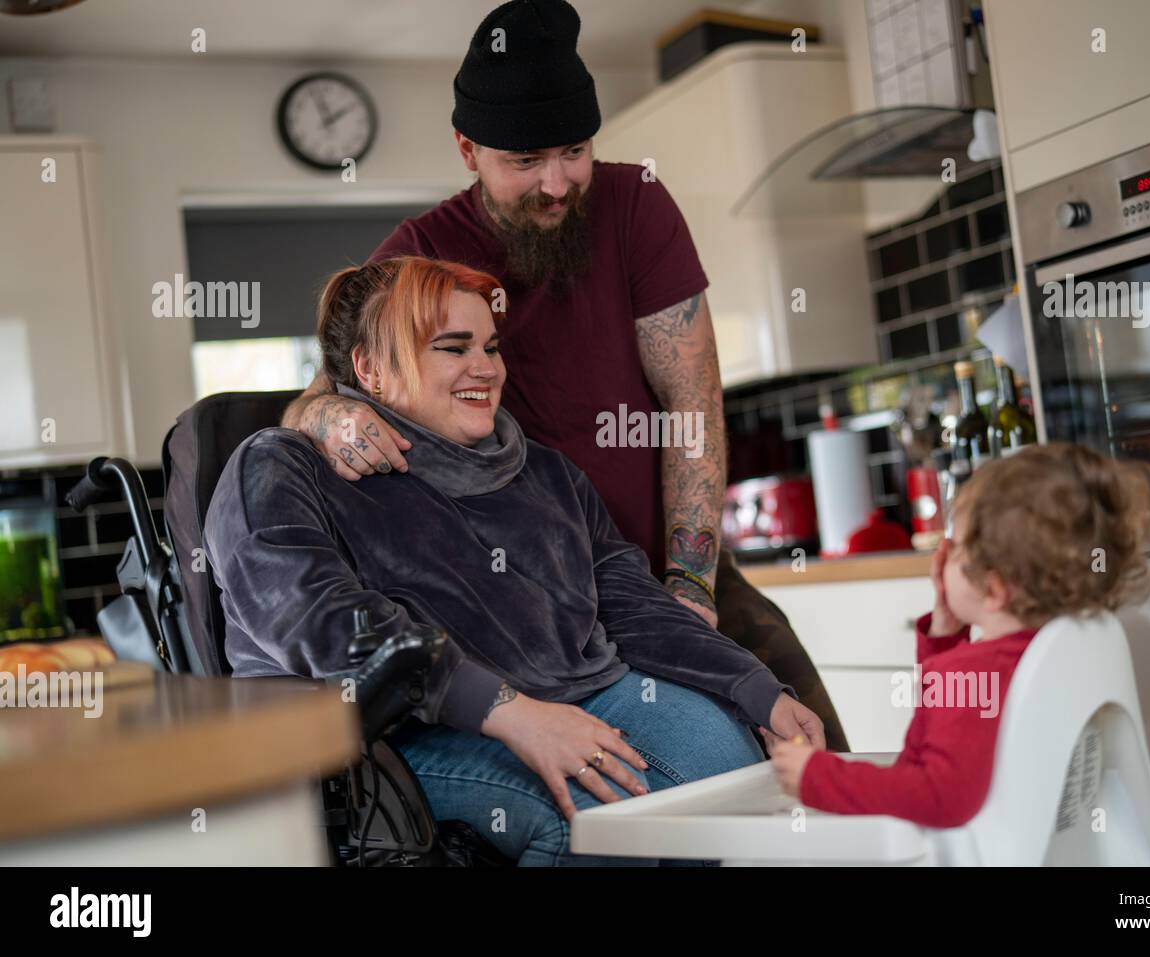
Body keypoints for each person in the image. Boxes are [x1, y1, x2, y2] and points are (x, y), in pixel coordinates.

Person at [277, 0, 850, 752]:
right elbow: (312, 404)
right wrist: (333, 419)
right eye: (525, 162)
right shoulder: (418, 258)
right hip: (538, 606)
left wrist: (689, 587)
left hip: (675, 572)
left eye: (574, 150)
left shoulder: (635, 203)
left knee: (820, 749)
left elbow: (690, 401)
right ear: (467, 149)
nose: (556, 183)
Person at [204, 256, 824, 865]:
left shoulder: (549, 474)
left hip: (572, 693)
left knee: (733, 768)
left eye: (491, 347)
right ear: (370, 368)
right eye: (453, 348)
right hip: (377, 738)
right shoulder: (281, 466)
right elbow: (322, 622)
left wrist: (755, 689)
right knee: (590, 821)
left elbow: (633, 605)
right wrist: (508, 711)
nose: (485, 368)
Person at [769, 443, 1150, 825]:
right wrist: (944, 636)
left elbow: (938, 793)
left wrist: (817, 776)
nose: (942, 555)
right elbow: (951, 736)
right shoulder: (1071, 648)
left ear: (992, 589)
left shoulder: (980, 669)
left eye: (956, 549)